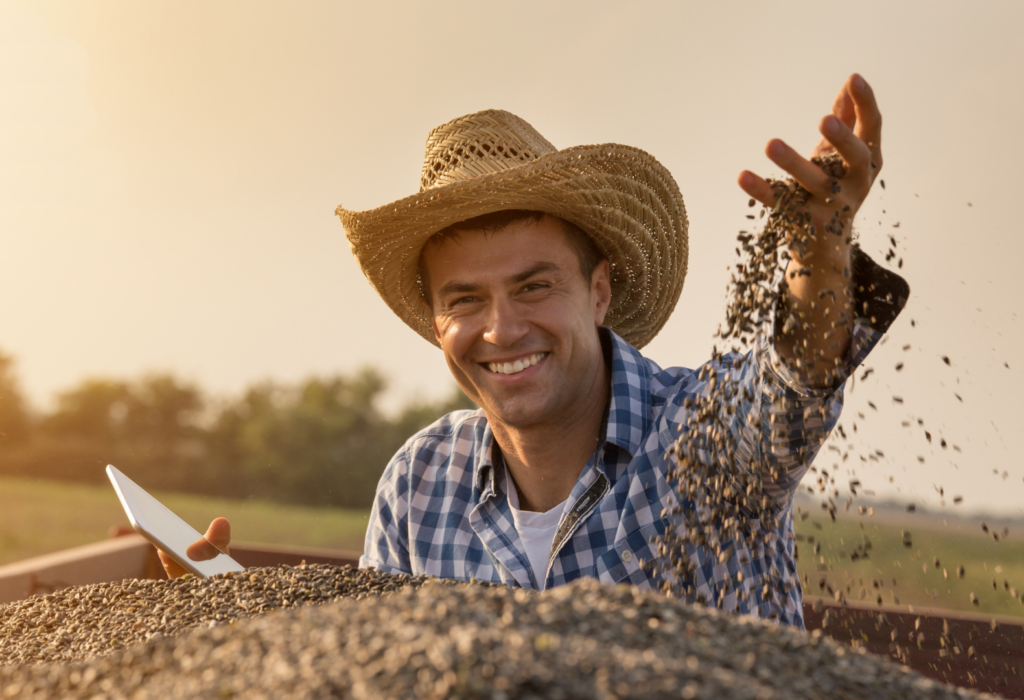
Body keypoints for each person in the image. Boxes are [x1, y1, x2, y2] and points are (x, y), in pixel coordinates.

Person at [160, 74, 907, 628]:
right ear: (435, 321)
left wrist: (820, 250)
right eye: (464, 300)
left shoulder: (705, 437)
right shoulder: (419, 487)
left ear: (600, 292)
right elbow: (377, 667)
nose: (501, 329)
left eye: (534, 285)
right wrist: (236, 628)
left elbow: (791, 390)